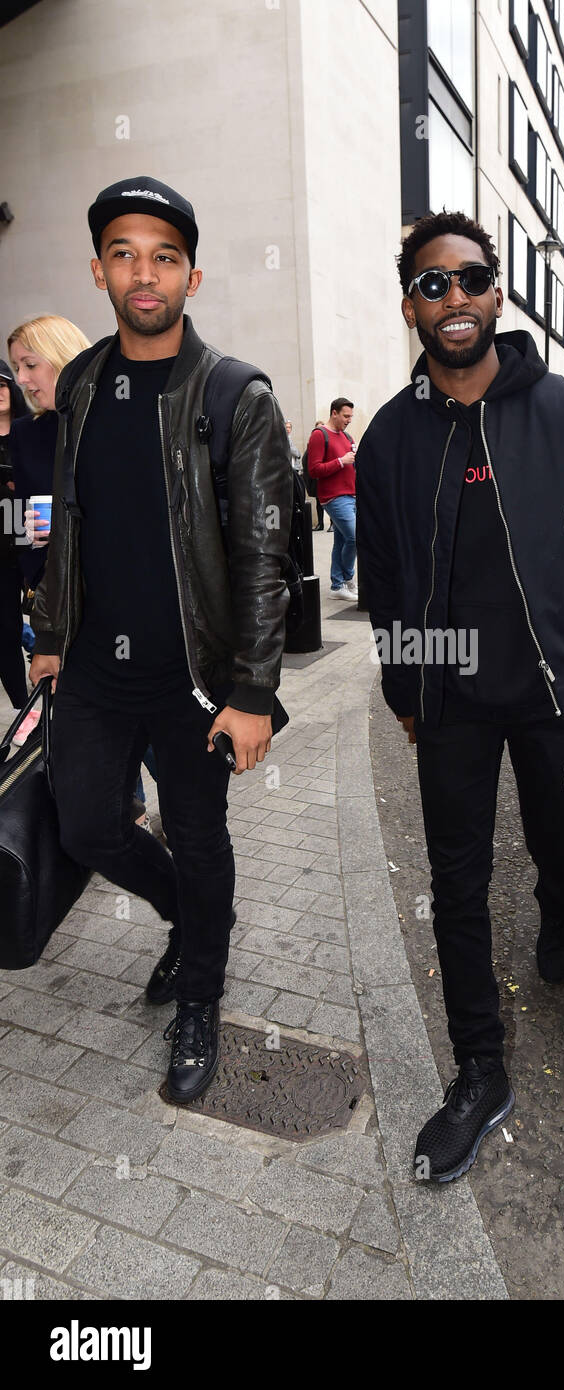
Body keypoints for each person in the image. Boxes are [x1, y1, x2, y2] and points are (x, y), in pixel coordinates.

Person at [356, 210, 564, 1183]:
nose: (453, 298)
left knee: (561, 842)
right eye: (431, 284)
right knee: (453, 883)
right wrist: (406, 685)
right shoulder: (390, 436)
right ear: (411, 303)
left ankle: (558, 903)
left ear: (496, 292)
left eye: (469, 279)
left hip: (549, 693)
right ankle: (477, 1070)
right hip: (449, 703)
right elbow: (388, 583)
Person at [29, 175, 292, 1104]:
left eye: (165, 257)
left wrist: (252, 693)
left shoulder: (235, 394)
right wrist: (53, 631)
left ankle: (202, 996)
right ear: (98, 270)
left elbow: (266, 553)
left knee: (199, 831)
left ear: (195, 275)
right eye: (125, 255)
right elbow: (71, 517)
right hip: (96, 668)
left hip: (195, 676)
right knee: (88, 823)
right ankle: (188, 918)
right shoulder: (81, 384)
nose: (146, 274)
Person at [7, 316, 92, 745]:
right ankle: (128, 811)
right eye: (16, 368)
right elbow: (26, 520)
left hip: (120, 598)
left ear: (61, 357)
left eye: (29, 364)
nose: (21, 379)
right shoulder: (27, 433)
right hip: (59, 603)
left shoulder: (107, 420)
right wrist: (29, 538)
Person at [0, 360, 30, 719]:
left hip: (34, 538)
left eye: (3, 385)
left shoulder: (30, 432)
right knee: (6, 628)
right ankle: (24, 711)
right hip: (2, 549)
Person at [306, 398, 357, 599]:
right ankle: (347, 578)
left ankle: (338, 586)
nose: (349, 420)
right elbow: (314, 470)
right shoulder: (319, 436)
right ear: (334, 413)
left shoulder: (347, 437)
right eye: (346, 416)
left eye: (351, 416)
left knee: (342, 540)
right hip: (334, 497)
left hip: (351, 495)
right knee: (355, 536)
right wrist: (340, 461)